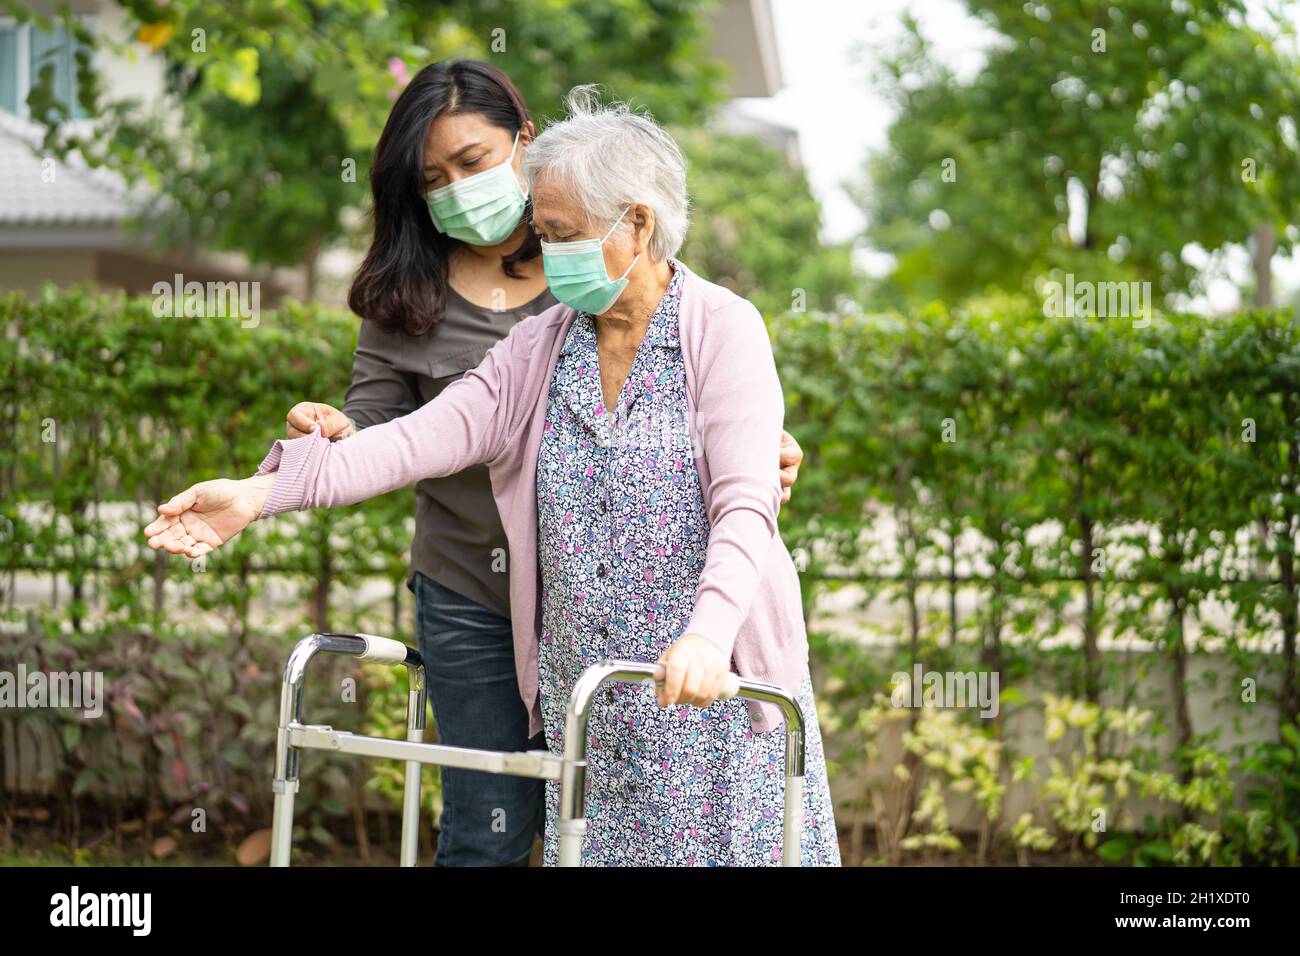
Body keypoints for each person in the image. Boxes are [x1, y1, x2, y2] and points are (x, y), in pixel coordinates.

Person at [143, 87, 837, 866]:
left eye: (566, 235)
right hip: (597, 703)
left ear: (638, 223)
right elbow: (412, 440)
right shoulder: (539, 348)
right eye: (543, 233)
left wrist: (708, 638)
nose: (548, 254)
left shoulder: (724, 329)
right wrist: (258, 495)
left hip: (706, 687)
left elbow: (746, 507)